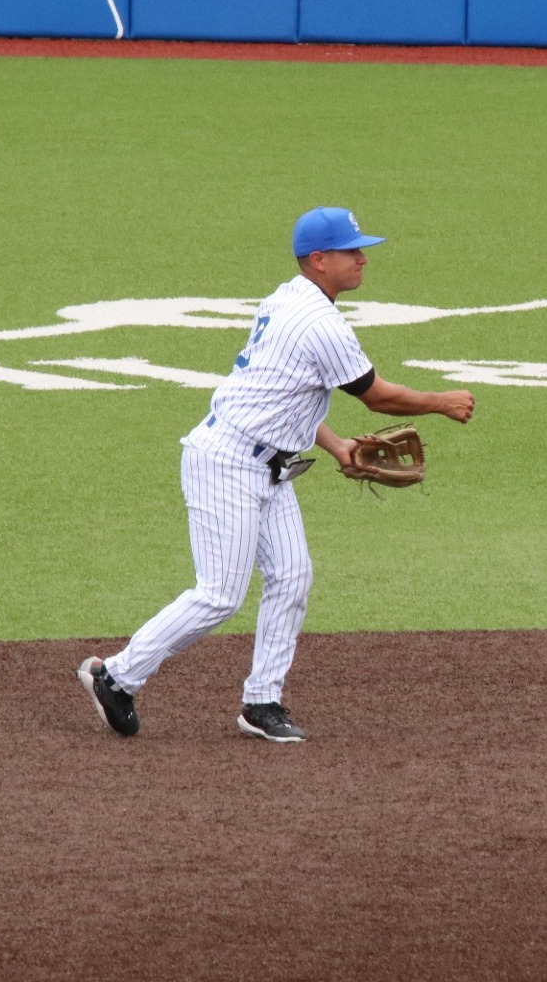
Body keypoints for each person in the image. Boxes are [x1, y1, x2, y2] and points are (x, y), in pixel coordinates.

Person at [77, 206, 474, 742]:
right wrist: (441, 402)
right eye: (351, 251)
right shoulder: (318, 323)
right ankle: (116, 677)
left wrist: (335, 444)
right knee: (219, 595)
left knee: (292, 576)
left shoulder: (288, 296)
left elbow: (288, 392)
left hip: (269, 466)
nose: (362, 259)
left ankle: (261, 702)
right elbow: (378, 397)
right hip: (227, 462)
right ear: (319, 259)